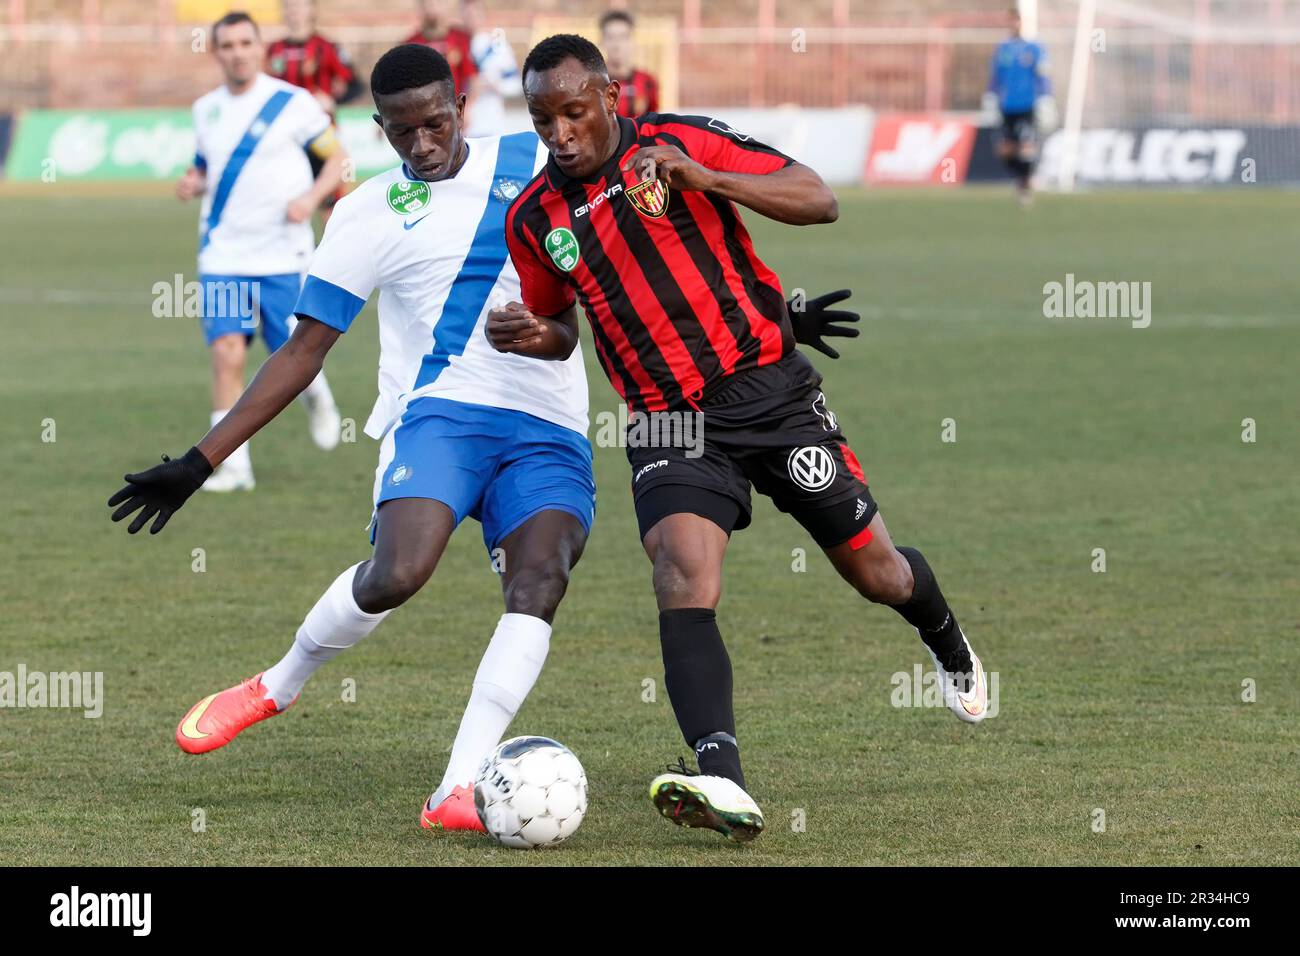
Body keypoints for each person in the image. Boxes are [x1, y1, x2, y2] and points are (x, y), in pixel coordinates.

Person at [490, 34, 988, 843]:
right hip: (666, 419)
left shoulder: (679, 142)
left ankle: (943, 635)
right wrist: (529, 333)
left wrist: (708, 179)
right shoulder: (534, 218)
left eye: (574, 113)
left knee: (878, 573)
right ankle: (721, 775)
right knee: (681, 573)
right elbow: (562, 325)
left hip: (770, 392)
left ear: (610, 95)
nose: (561, 135)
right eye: (545, 120)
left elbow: (818, 198)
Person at [109, 43, 595, 833]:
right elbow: (303, 350)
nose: (424, 145)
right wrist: (203, 460)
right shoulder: (367, 212)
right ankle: (278, 684)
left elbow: (646, 229)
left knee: (540, 580)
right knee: (398, 573)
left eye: (436, 124)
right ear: (379, 128)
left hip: (546, 423)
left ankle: (455, 790)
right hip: (437, 414)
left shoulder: (534, 155)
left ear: (461, 108)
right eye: (403, 133)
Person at [178, 11, 345, 492]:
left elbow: (335, 158)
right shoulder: (204, 109)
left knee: (292, 351)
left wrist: (311, 200)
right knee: (227, 353)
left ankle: (319, 400)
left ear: (260, 48)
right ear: (216, 53)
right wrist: (194, 182)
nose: (237, 52)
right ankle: (232, 466)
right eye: (226, 45)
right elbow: (209, 167)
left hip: (282, 253)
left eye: (245, 42)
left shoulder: (294, 104)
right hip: (224, 254)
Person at [982, 7, 1055, 206]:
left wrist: (1046, 98)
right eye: (1012, 20)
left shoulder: (1035, 48)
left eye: (1018, 20)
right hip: (1006, 105)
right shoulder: (1002, 48)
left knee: (1025, 148)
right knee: (1005, 150)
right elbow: (995, 76)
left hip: (1027, 104)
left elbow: (1043, 75)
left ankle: (1025, 186)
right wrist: (990, 96)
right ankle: (1022, 179)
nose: (1015, 24)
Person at [461, 0, 519, 137]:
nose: (471, 18)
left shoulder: (497, 46)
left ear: (483, 15)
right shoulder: (455, 46)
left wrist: (495, 86)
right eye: (467, 14)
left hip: (491, 126)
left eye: (475, 13)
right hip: (462, 130)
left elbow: (515, 84)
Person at [405, 0, 478, 100]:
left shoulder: (460, 38)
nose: (432, 9)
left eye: (437, 3)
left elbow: (471, 78)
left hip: (453, 108)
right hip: (423, 109)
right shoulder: (410, 44)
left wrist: (466, 107)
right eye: (427, 4)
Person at [599, 9, 658, 118]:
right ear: (601, 40)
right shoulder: (594, 82)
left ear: (632, 40)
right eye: (610, 37)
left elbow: (653, 124)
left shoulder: (648, 81)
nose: (616, 45)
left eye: (623, 37)